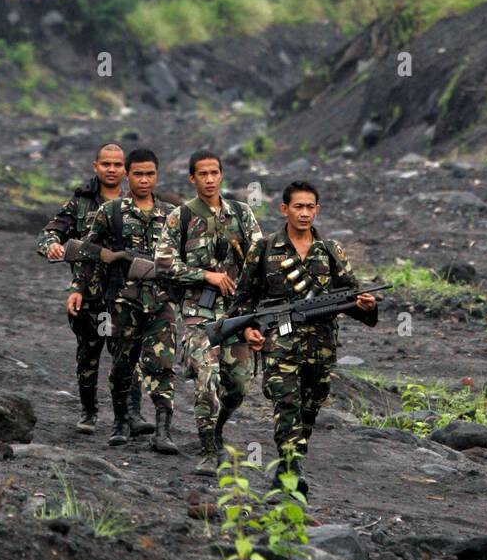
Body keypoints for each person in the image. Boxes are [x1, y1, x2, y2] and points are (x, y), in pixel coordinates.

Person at [228, 179, 377, 491]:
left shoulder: (331, 251)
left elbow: (349, 297)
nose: (305, 213)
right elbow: (242, 301)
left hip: (321, 346)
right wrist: (249, 330)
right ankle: (291, 469)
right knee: (287, 405)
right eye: (298, 207)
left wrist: (365, 304)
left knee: (310, 408)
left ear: (318, 209)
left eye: (310, 207)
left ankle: (288, 465)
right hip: (279, 344)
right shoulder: (264, 248)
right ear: (285, 209)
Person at [154, 149, 263, 475]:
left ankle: (217, 430)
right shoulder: (181, 217)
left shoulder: (242, 215)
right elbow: (163, 263)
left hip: (236, 313)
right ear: (193, 178)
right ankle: (207, 449)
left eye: (214, 172)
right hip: (196, 314)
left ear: (221, 175)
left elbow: (258, 261)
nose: (210, 179)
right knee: (207, 378)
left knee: (239, 385)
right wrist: (205, 275)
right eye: (203, 173)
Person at [36, 143, 152, 438]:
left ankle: (132, 414)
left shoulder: (136, 201)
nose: (111, 170)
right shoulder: (80, 203)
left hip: (125, 294)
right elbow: (51, 232)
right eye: (106, 165)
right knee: (89, 354)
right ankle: (88, 412)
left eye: (117, 165)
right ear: (95, 167)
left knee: (128, 355)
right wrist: (52, 245)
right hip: (89, 293)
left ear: (125, 169)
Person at [70, 149, 180, 453]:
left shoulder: (173, 214)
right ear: (127, 176)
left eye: (150, 174)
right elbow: (87, 253)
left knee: (163, 365)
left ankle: (162, 431)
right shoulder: (112, 212)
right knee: (122, 365)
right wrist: (79, 287)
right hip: (121, 302)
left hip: (161, 301)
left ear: (157, 175)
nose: (144, 180)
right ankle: (120, 422)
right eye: (138, 174)